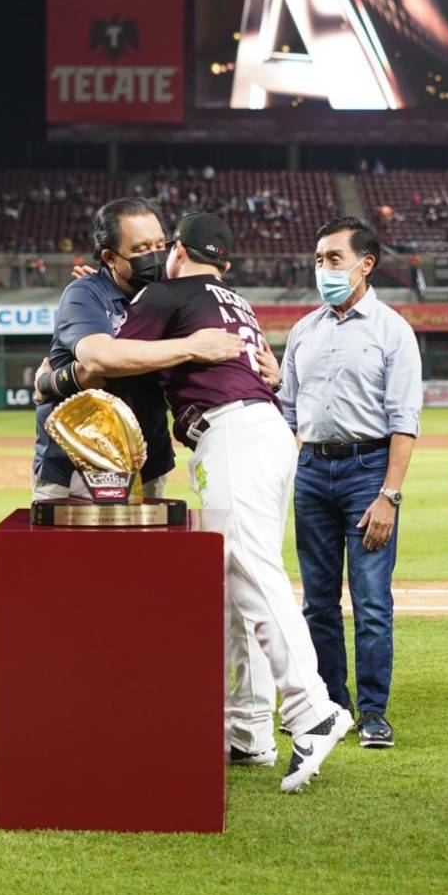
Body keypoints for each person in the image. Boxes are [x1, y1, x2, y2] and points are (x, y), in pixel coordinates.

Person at [118, 212, 352, 792]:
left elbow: (114, 357)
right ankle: (249, 731)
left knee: (249, 567)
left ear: (178, 250)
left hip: (233, 433)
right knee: (234, 579)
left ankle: (312, 710)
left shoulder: (167, 290)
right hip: (265, 434)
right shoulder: (235, 300)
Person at [278, 217, 421, 749]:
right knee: (317, 601)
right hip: (312, 470)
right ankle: (332, 704)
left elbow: (404, 422)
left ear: (365, 264)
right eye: (318, 260)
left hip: (368, 473)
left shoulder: (392, 331)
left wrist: (389, 495)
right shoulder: (303, 331)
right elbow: (287, 413)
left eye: (334, 259)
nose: (323, 269)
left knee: (371, 601)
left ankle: (375, 713)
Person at [30, 197, 243, 502]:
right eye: (141, 250)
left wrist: (49, 382)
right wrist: (190, 347)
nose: (154, 256)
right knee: (70, 551)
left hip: (148, 462)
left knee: (145, 551)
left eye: (160, 245)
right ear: (110, 257)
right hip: (77, 462)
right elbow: (100, 360)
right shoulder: (85, 294)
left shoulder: (173, 295)